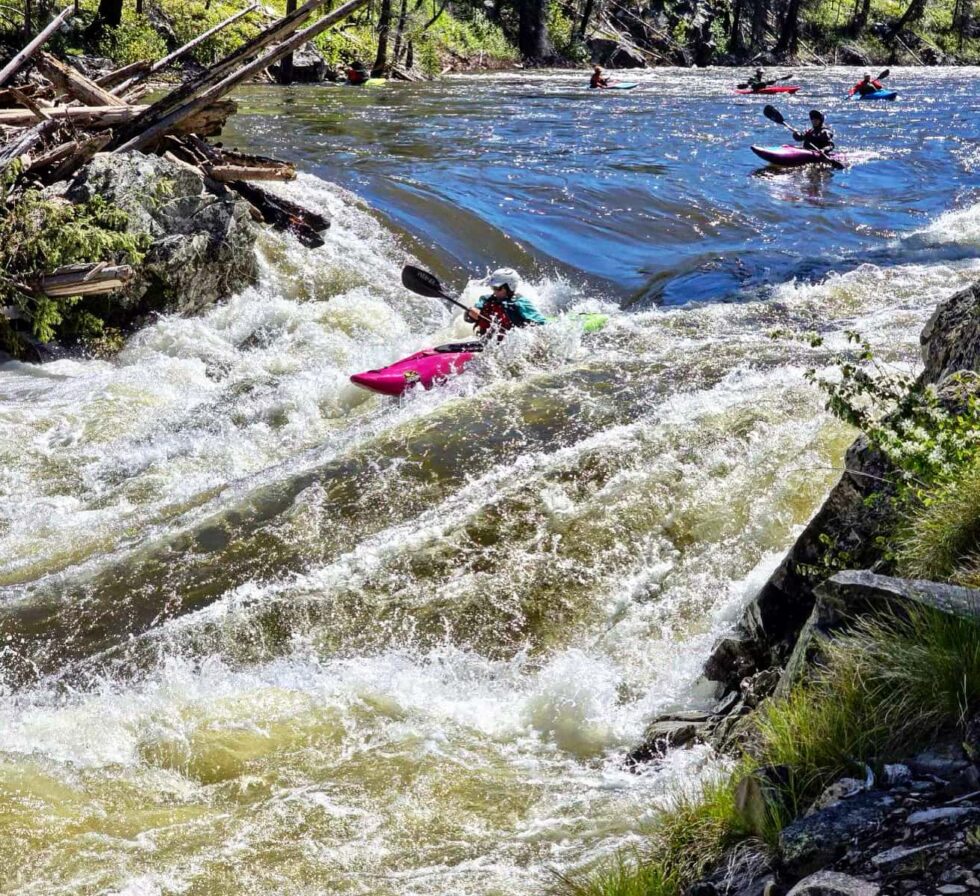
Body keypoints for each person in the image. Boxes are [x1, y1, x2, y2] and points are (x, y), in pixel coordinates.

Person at [464, 268, 547, 338]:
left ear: (509, 287)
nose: (494, 291)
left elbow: (542, 324)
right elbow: (468, 319)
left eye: (497, 288)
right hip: (486, 339)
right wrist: (470, 313)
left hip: (510, 343)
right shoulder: (486, 299)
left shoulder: (520, 303)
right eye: (493, 288)